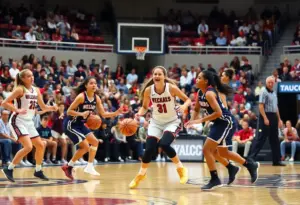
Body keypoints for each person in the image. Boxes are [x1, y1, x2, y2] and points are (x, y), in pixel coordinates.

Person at [185, 70, 259, 190]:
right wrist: (191, 122)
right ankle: (243, 166)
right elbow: (197, 109)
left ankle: (215, 179)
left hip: (226, 122)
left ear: (206, 81)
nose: (196, 80)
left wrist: (200, 121)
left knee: (206, 149)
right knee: (219, 153)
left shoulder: (210, 93)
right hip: (219, 123)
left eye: (199, 78)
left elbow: (219, 112)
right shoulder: (200, 92)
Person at [129, 66, 191, 189]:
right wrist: (139, 113)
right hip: (156, 122)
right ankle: (141, 174)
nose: (156, 76)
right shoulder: (148, 90)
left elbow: (188, 99)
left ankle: (180, 168)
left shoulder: (171, 88)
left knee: (164, 144)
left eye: (159, 74)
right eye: (155, 74)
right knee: (149, 149)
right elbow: (145, 107)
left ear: (164, 76)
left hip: (172, 121)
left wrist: (184, 107)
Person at [61, 76, 125, 180]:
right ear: (86, 86)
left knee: (95, 142)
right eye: (91, 83)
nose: (94, 85)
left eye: (95, 83)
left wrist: (116, 112)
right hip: (70, 124)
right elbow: (68, 111)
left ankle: (89, 166)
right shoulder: (81, 97)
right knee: (85, 147)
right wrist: (81, 113)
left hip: (80, 125)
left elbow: (103, 114)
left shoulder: (97, 98)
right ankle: (68, 166)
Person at [1, 69, 58, 182]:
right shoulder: (20, 89)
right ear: (22, 79)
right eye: (28, 76)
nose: (32, 78)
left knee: (41, 145)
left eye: (32, 76)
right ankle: (9, 168)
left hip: (29, 121)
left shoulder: (36, 90)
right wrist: (16, 109)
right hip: (18, 121)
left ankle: (38, 170)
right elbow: (4, 102)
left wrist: (52, 108)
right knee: (28, 147)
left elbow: (42, 107)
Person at [248, 76, 285, 166]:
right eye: (269, 82)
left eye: (272, 82)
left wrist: (279, 119)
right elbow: (261, 106)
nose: (271, 84)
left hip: (273, 117)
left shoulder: (275, 92)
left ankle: (277, 161)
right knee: (261, 138)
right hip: (265, 116)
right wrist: (265, 118)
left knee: (275, 139)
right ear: (266, 82)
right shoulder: (263, 92)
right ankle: (250, 159)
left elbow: (276, 107)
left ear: (274, 83)